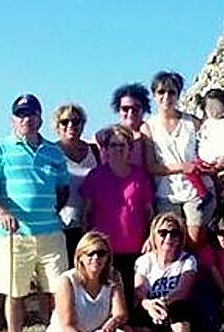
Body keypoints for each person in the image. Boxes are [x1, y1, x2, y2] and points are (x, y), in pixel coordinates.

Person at [0, 94, 70, 332]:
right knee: (15, 292)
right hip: (13, 235)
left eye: (31, 114)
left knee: (56, 291)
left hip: (51, 232)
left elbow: (63, 189)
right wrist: (1, 213)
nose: (26, 119)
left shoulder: (54, 152)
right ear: (13, 119)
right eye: (21, 114)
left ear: (40, 118)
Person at [41, 230, 138, 332]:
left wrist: (112, 322)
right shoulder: (67, 281)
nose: (96, 258)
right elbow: (67, 326)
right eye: (90, 253)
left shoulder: (113, 276)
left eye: (101, 253)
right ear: (80, 257)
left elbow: (121, 313)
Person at [80, 124, 155, 311]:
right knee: (110, 297)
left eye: (122, 145)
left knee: (134, 294)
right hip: (106, 251)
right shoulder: (96, 175)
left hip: (136, 247)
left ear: (130, 149)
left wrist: (151, 237)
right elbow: (86, 214)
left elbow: (150, 212)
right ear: (105, 149)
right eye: (113, 145)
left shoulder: (140, 176)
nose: (118, 149)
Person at [144, 71, 212, 248]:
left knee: (195, 241)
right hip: (166, 192)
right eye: (161, 92)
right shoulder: (148, 127)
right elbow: (151, 166)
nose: (166, 97)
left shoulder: (193, 123)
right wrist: (182, 167)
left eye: (171, 92)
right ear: (154, 95)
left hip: (194, 189)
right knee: (169, 242)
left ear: (178, 95)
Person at [132, 212, 197, 332]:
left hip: (172, 305)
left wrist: (162, 302)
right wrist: (149, 304)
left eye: (174, 233)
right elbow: (139, 290)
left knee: (180, 310)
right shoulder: (145, 261)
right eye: (163, 233)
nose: (169, 238)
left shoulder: (187, 260)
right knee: (138, 315)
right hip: (151, 307)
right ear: (154, 235)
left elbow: (183, 289)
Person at [54, 102, 100, 258]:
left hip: (91, 225)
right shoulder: (50, 153)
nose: (70, 125)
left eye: (76, 121)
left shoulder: (95, 151)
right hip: (61, 225)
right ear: (57, 126)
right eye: (65, 122)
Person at [98, 82, 153, 171]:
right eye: (125, 109)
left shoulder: (152, 133)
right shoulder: (106, 135)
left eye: (135, 109)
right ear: (118, 110)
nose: (130, 113)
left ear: (144, 109)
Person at [195, 88, 224, 208]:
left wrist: (222, 158)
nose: (212, 110)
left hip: (213, 161)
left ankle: (204, 193)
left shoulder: (223, 124)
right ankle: (217, 200)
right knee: (214, 181)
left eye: (216, 106)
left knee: (190, 171)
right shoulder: (207, 122)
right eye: (209, 107)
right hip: (203, 157)